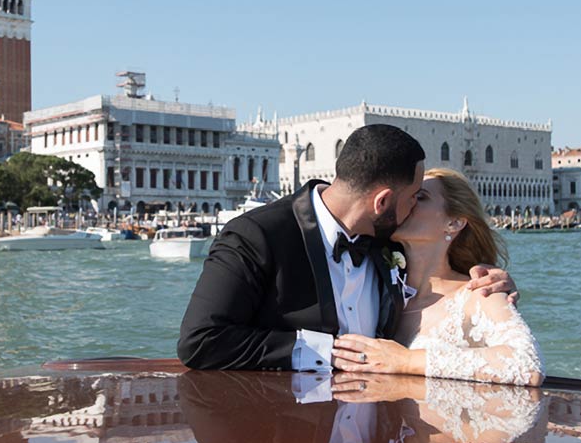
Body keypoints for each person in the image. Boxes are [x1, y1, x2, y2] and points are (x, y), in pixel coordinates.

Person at [178, 125, 517, 371]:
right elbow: (202, 341)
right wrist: (325, 351)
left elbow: (440, 293)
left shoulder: (392, 242)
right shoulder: (257, 235)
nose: (413, 207)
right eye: (413, 196)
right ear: (382, 201)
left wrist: (495, 288)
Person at [331, 168, 544, 386]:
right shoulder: (372, 282)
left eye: (420, 197)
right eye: (406, 195)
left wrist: (405, 361)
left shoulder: (480, 293)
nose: (406, 203)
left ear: (454, 223)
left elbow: (528, 364)